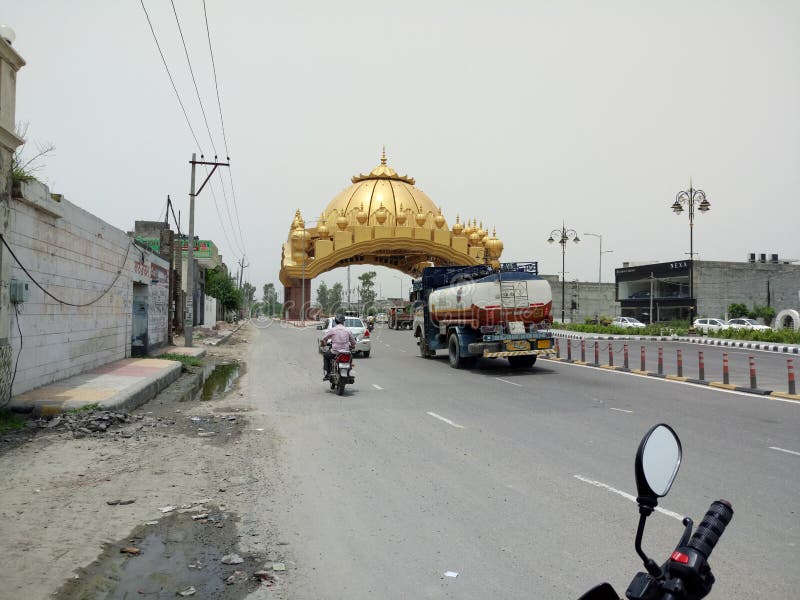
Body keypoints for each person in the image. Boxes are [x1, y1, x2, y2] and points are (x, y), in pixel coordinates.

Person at [321, 314, 356, 380]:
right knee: (350, 358)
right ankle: (348, 373)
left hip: (335, 352)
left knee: (325, 355)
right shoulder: (347, 330)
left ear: (336, 321)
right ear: (343, 322)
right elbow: (353, 342)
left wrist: (324, 344)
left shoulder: (333, 330)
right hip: (346, 352)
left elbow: (324, 339)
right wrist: (352, 346)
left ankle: (328, 373)